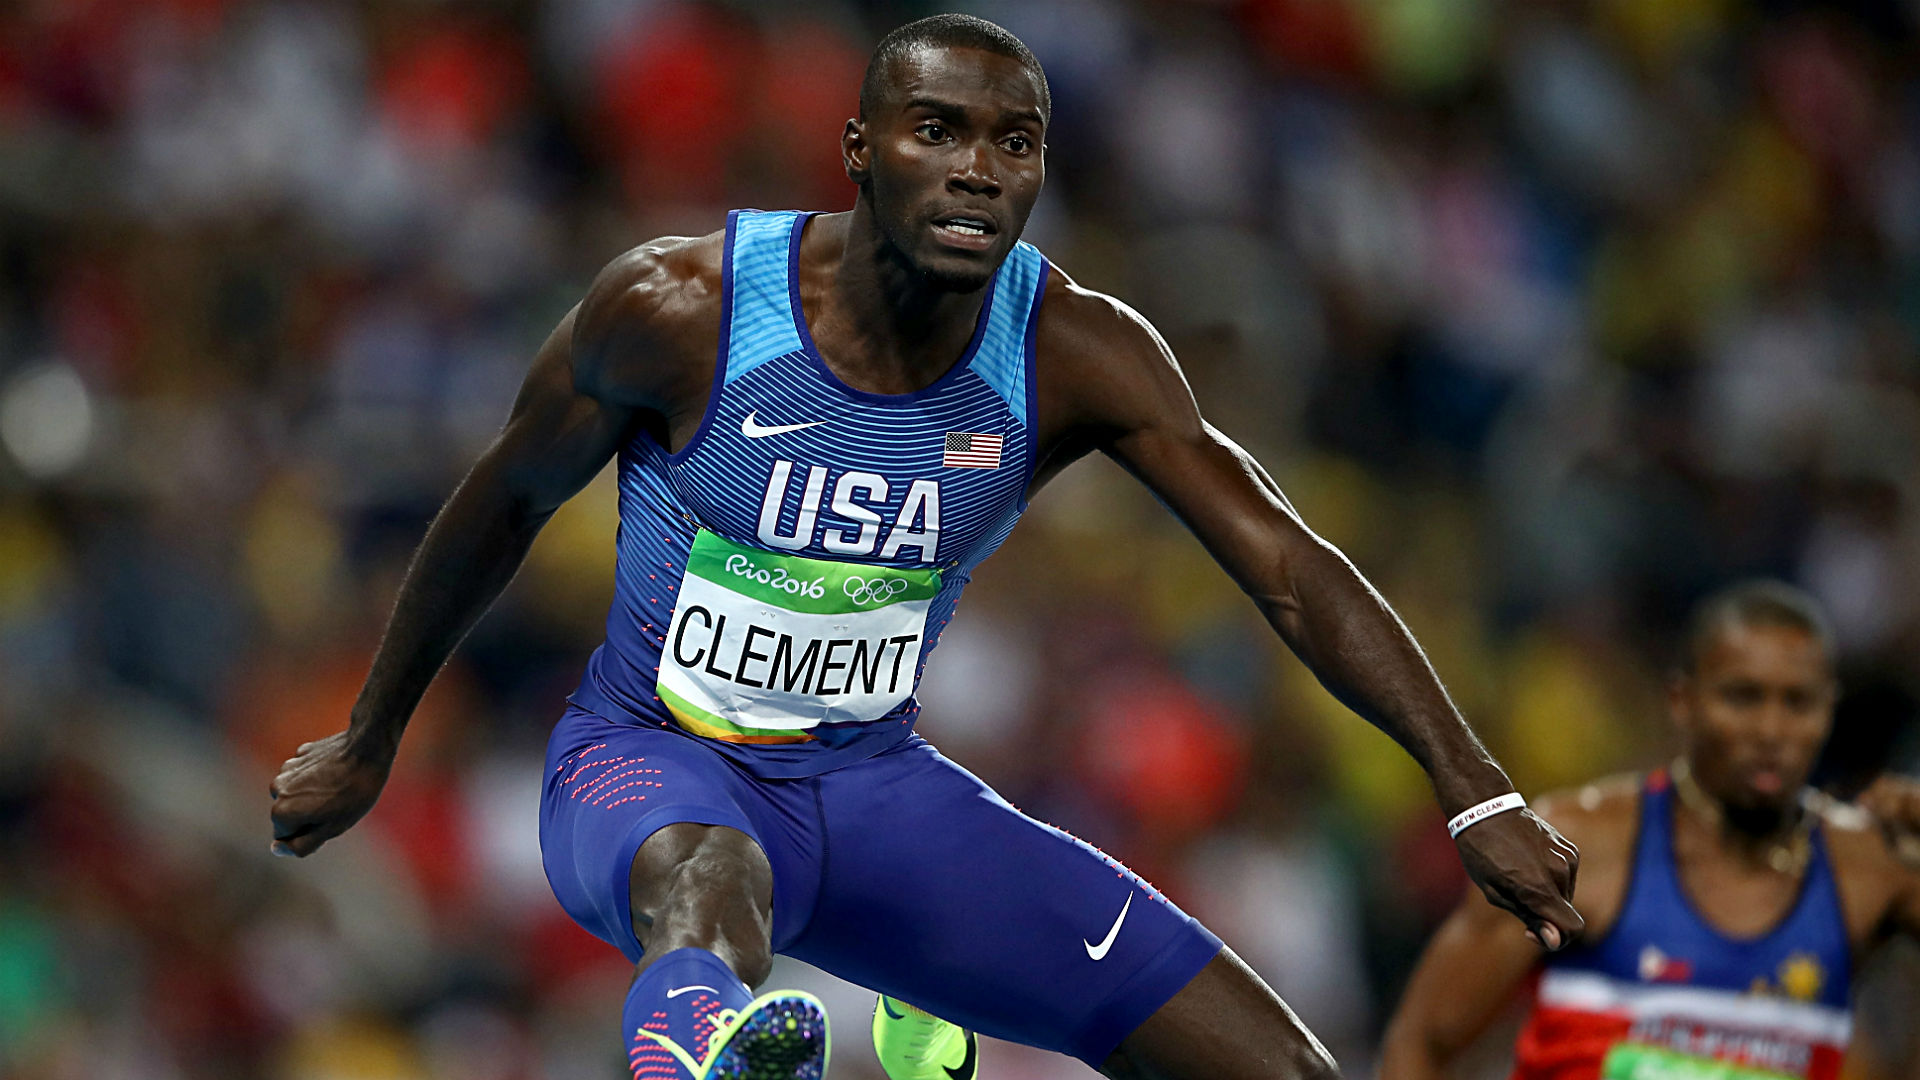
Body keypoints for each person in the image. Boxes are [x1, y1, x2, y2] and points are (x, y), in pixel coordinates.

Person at [268, 14, 1580, 1080]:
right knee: (713, 880)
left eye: (1016, 143)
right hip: (650, 767)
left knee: (1283, 1067)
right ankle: (708, 1053)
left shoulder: (1073, 352)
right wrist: (373, 736)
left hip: (879, 799)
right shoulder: (682, 309)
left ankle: (904, 998)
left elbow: (1288, 568)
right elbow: (501, 504)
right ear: (859, 148)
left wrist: (1473, 789)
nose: (977, 169)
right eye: (938, 130)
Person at [1381, 581, 1920, 1080]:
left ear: (1830, 709)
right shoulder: (1578, 845)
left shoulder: (1874, 865)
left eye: (1798, 702)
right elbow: (1422, 1042)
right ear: (1682, 701)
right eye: (1743, 697)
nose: (1771, 730)